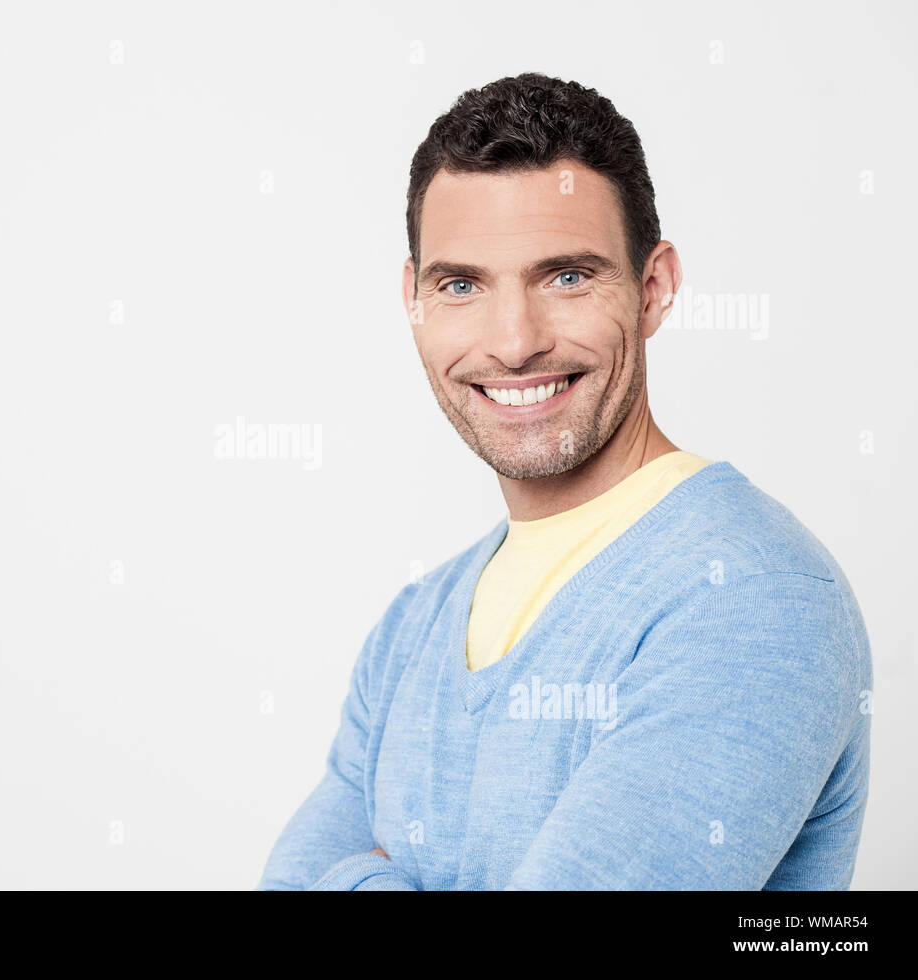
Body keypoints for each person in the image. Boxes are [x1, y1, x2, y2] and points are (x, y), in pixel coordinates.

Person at [256, 73, 871, 890]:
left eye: (567, 277)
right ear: (414, 300)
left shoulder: (752, 596)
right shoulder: (415, 623)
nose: (514, 344)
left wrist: (354, 879)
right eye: (462, 285)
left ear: (653, 288)